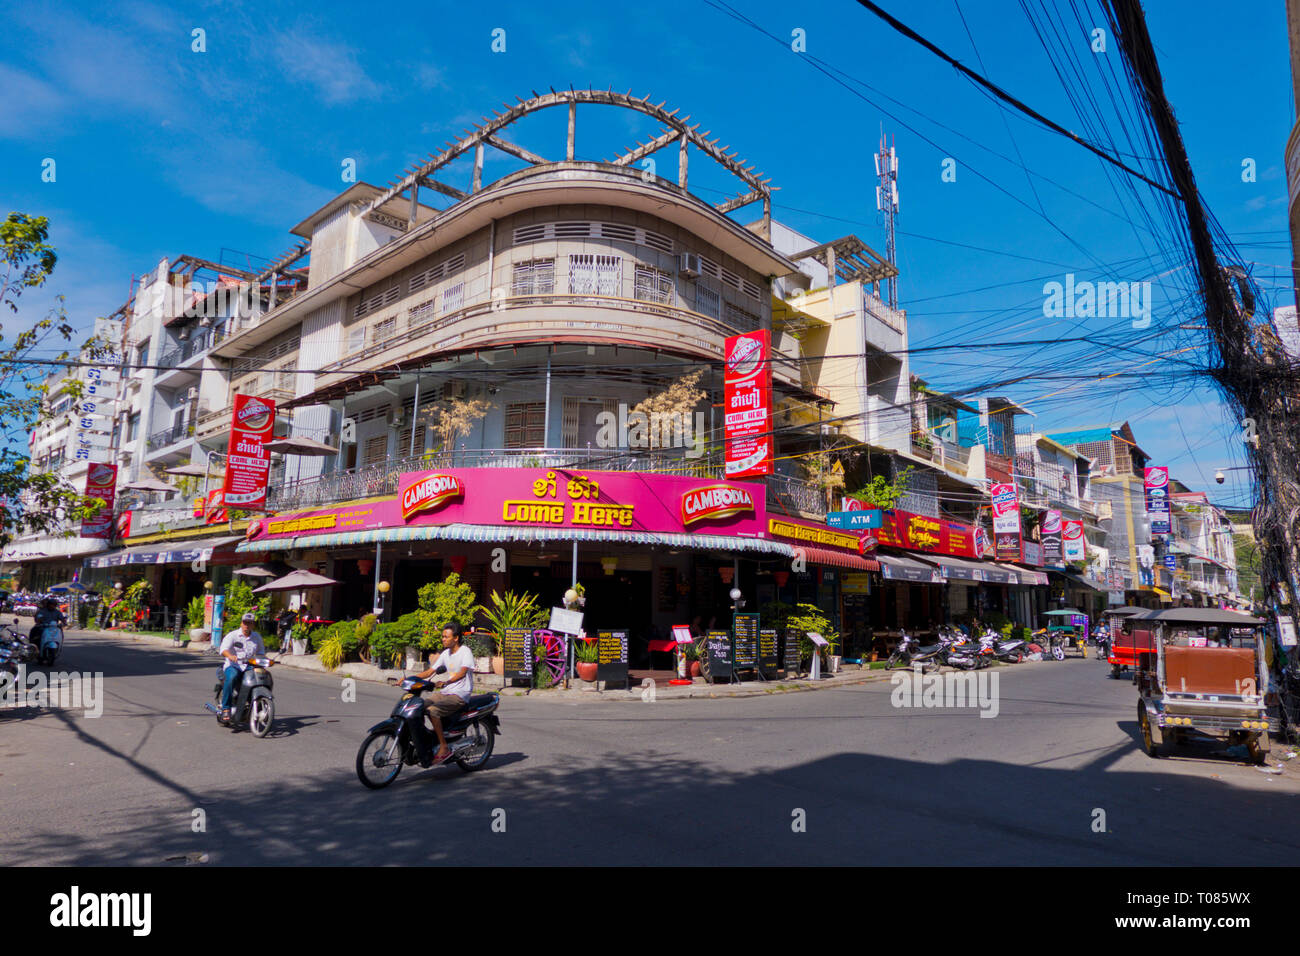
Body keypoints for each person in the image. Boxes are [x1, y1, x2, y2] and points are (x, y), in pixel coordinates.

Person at [412, 622, 475, 766]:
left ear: (456, 638)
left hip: (460, 694)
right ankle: (425, 740)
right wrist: (410, 679)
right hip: (446, 692)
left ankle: (443, 746)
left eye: (446, 637)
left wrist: (446, 682)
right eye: (442, 636)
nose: (443, 639)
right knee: (419, 706)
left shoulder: (465, 651)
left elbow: (463, 672)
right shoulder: (446, 654)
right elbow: (429, 672)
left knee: (433, 711)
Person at [217, 612, 265, 724]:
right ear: (241, 623)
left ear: (253, 625)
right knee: (232, 677)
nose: (247, 625)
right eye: (245, 623)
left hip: (249, 666)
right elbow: (223, 649)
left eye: (249, 623)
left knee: (261, 677)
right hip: (234, 665)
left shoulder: (256, 637)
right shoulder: (233, 635)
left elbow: (261, 653)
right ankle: (226, 708)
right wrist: (230, 656)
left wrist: (264, 660)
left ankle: (257, 703)